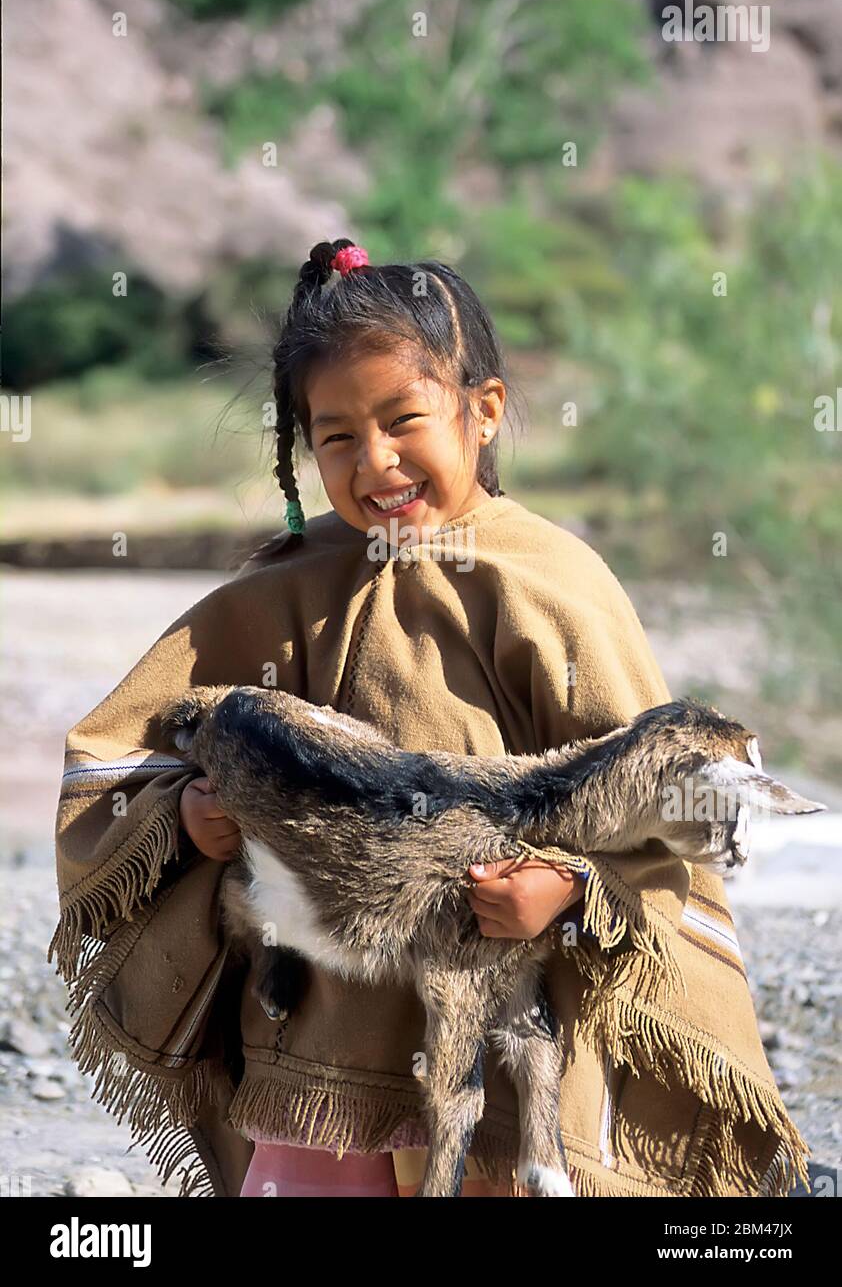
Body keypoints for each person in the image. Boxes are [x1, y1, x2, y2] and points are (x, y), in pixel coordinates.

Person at [47, 240, 809, 1199]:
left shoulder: (552, 584)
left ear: (482, 410)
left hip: (504, 1025)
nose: (375, 461)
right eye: (334, 436)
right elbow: (118, 749)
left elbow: (653, 800)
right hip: (318, 1050)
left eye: (404, 419)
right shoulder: (280, 592)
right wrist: (189, 819)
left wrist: (568, 892)